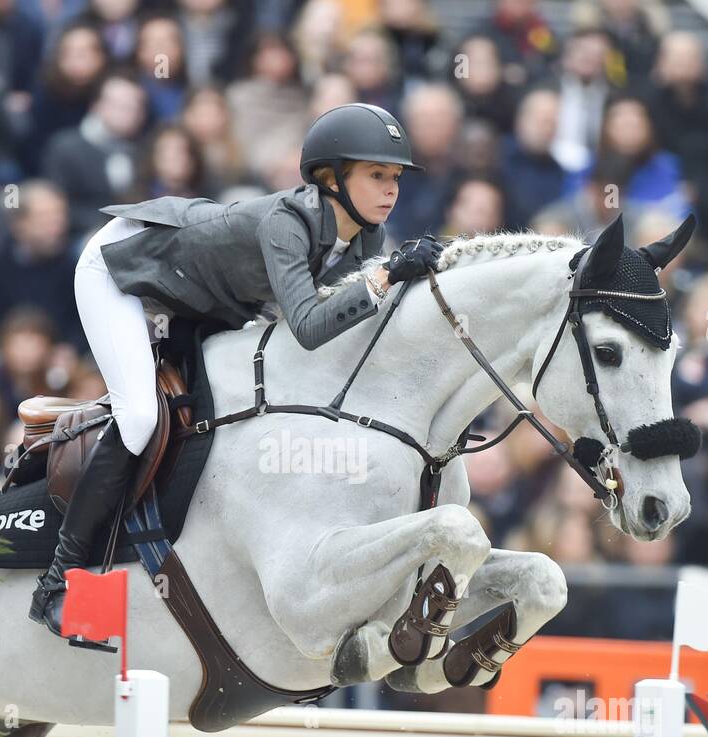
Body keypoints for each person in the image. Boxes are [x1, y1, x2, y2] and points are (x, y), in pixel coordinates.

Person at [29, 102, 443, 636]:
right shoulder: (286, 222)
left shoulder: (365, 237)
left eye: (396, 178)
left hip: (202, 298)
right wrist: (387, 275)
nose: (391, 189)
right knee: (139, 418)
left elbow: (353, 319)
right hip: (123, 272)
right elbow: (312, 327)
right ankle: (58, 581)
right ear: (330, 178)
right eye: (377, 175)